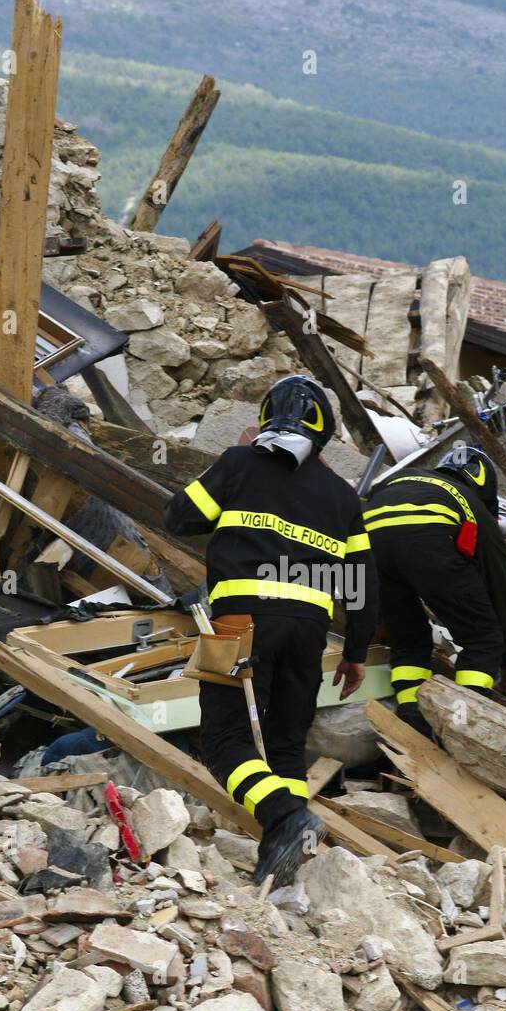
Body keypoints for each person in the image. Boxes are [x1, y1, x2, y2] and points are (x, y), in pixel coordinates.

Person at [164, 374, 378, 885]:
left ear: (263, 418)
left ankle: (284, 817)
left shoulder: (241, 464)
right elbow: (364, 586)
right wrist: (356, 651)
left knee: (223, 740)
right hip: (308, 631)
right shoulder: (342, 497)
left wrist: (233, 470)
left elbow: (178, 517)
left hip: (241, 622)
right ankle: (281, 859)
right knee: (285, 743)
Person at [363, 443, 506, 736]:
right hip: (428, 540)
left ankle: (412, 720)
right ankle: (458, 726)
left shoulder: (407, 479)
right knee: (482, 638)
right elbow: (501, 593)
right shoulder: (472, 505)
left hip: (371, 543)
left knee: (408, 640)